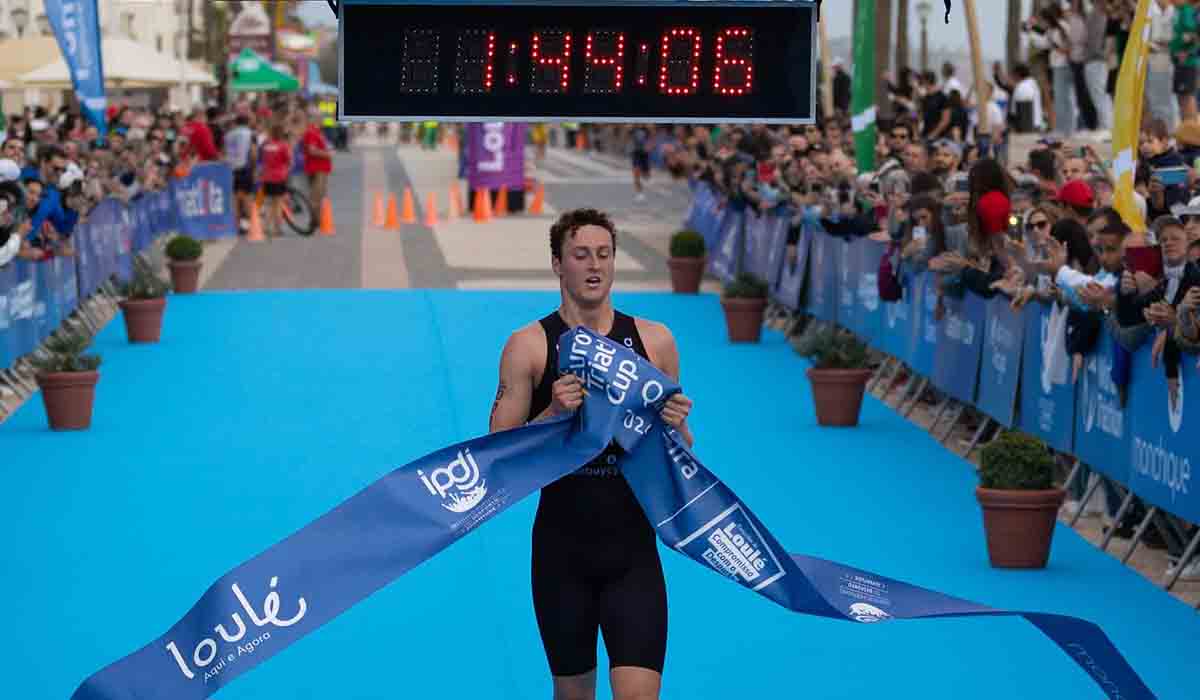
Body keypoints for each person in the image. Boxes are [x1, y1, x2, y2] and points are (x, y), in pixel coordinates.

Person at [488, 208, 694, 700]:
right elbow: (496, 453)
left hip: (634, 553)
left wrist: (676, 425)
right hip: (562, 553)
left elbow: (683, 453)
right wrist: (553, 413)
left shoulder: (655, 342)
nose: (594, 265)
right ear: (558, 264)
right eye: (581, 255)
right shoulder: (529, 346)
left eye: (604, 254)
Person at [259, 120, 292, 241]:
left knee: (268, 203)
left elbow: (262, 159)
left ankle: (266, 227)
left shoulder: (266, 145)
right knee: (278, 204)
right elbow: (288, 161)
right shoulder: (283, 146)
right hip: (279, 177)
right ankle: (277, 228)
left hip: (267, 177)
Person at [300, 109, 333, 217]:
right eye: (320, 117)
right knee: (316, 194)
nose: (322, 119)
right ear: (315, 119)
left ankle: (317, 216)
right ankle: (315, 218)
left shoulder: (318, 132)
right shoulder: (312, 132)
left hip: (320, 167)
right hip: (317, 168)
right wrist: (327, 154)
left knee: (319, 194)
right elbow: (312, 150)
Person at [631, 125, 652, 204]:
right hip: (636, 153)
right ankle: (639, 193)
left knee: (646, 176)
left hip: (644, 154)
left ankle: (646, 178)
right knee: (636, 173)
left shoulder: (646, 129)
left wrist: (649, 146)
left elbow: (651, 138)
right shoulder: (633, 128)